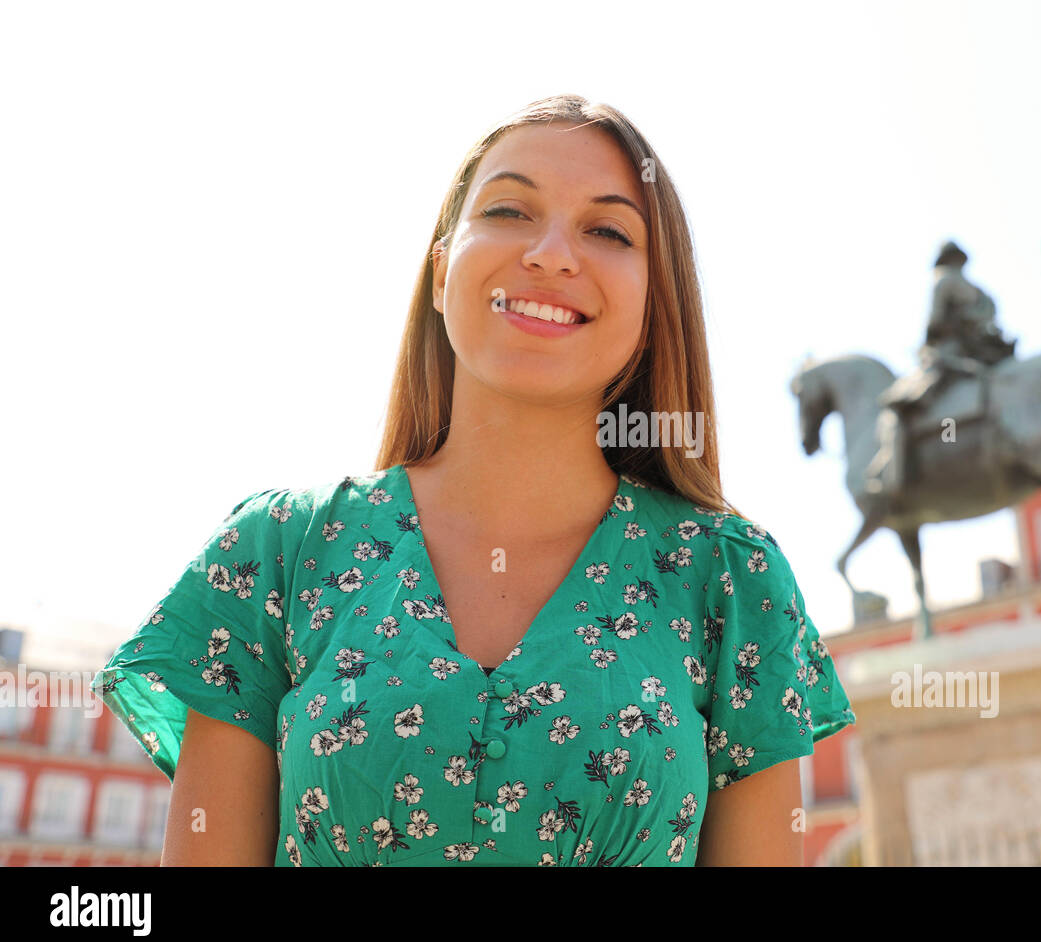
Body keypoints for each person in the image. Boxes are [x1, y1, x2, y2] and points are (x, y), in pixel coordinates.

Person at [91, 95, 856, 867]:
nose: (553, 253)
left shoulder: (731, 577)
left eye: (607, 229)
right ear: (438, 271)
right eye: (509, 210)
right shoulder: (277, 551)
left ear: (656, 303)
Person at [865, 241, 1015, 497]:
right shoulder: (978, 290)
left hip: (951, 355)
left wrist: (927, 344)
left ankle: (895, 479)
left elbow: (934, 322)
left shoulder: (942, 281)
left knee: (900, 406)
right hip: (985, 356)